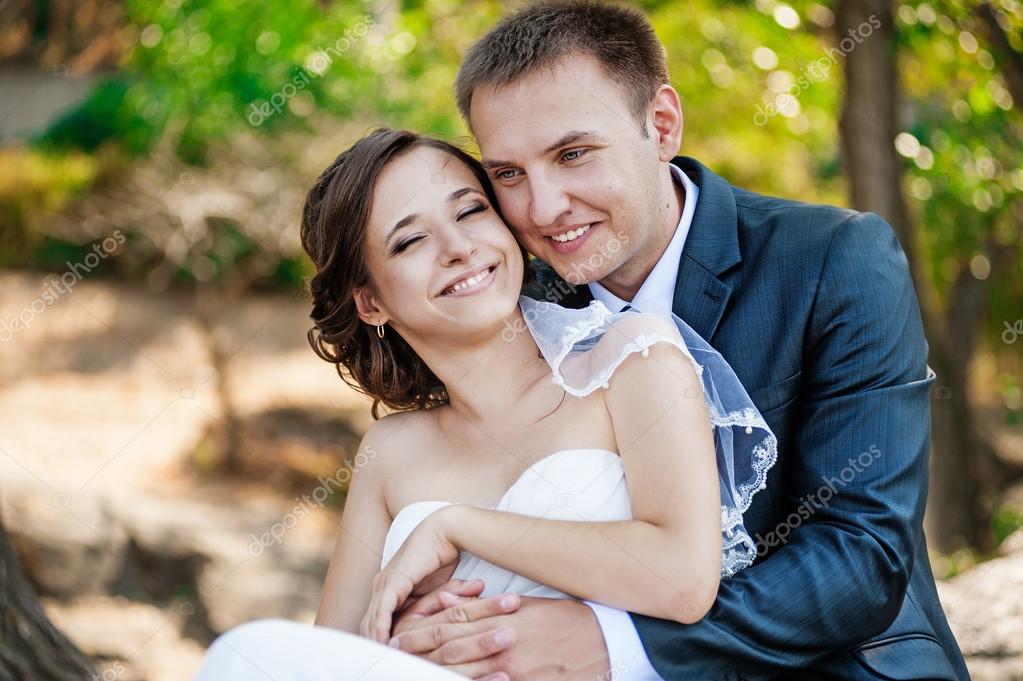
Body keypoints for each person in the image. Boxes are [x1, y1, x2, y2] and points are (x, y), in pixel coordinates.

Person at [198, 1, 969, 679]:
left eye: (572, 154)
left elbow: (860, 556)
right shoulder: (509, 299)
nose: (543, 206)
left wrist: (609, 643)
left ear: (660, 124)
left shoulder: (832, 261)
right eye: (506, 173)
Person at [195, 127, 776, 679]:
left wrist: (457, 527)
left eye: (470, 210)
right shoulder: (392, 452)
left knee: (244, 654)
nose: (458, 247)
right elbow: (336, 657)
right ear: (370, 301)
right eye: (411, 240)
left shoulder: (629, 360)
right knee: (253, 660)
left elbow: (682, 578)